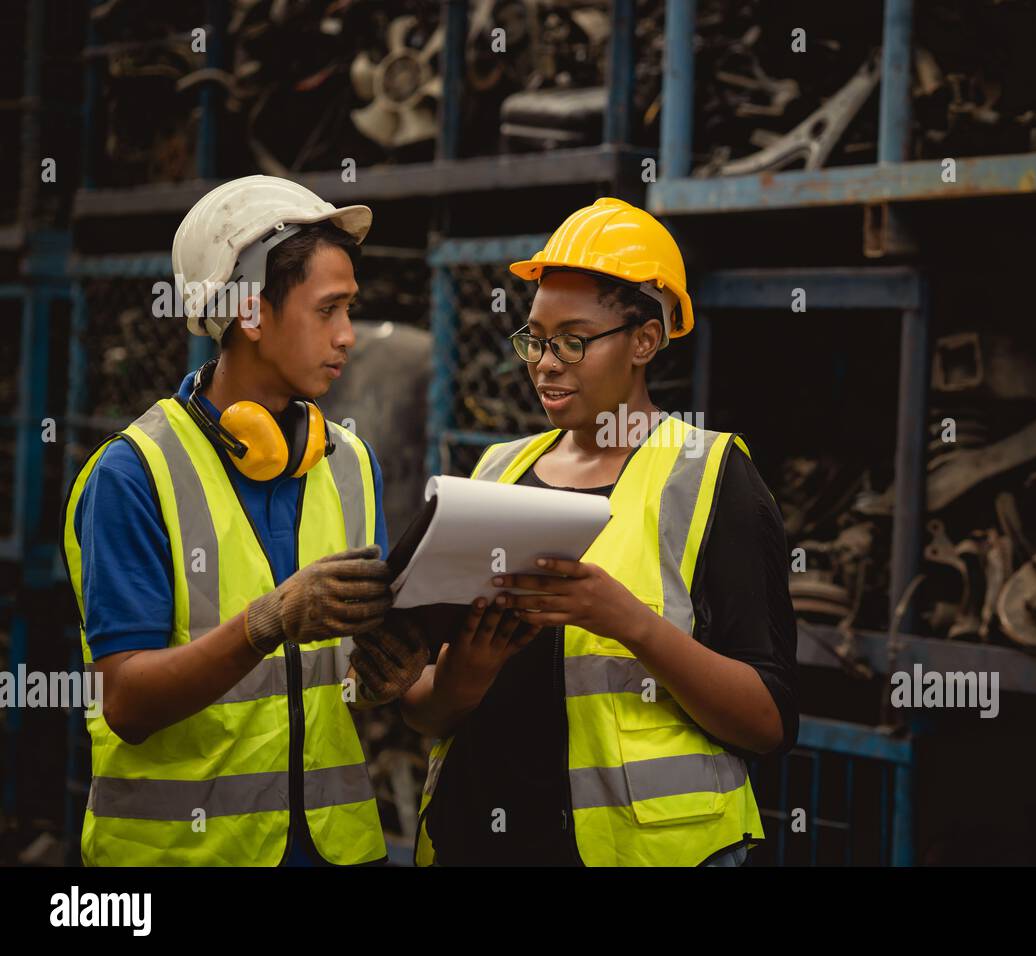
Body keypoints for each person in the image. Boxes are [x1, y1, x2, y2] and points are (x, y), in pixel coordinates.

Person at [397, 197, 799, 866]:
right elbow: (426, 712)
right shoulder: (497, 472)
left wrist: (628, 621)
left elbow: (768, 722)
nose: (546, 362)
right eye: (535, 339)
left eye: (573, 339)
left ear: (644, 340)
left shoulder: (710, 478)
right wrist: (462, 679)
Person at [61, 175, 420, 866]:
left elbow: (332, 689)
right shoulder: (133, 476)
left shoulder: (347, 464)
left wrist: (390, 676)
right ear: (250, 313)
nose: (349, 336)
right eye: (329, 310)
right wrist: (267, 623)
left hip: (336, 852)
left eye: (351, 310)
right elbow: (128, 704)